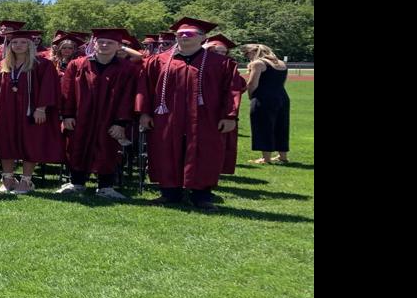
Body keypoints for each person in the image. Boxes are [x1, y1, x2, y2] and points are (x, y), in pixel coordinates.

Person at [137, 17, 241, 209]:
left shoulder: (222, 63)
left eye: (190, 33)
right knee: (166, 151)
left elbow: (232, 90)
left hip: (206, 118)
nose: (184, 36)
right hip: (167, 117)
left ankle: (202, 196)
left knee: (205, 153)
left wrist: (229, 116)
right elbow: (145, 88)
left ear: (203, 38)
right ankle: (169, 193)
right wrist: (144, 113)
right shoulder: (158, 62)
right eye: (180, 34)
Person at [57, 29, 139, 199]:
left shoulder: (127, 68)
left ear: (118, 46)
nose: (104, 45)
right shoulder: (77, 64)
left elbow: (128, 96)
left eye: (110, 43)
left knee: (108, 149)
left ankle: (106, 187)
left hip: (111, 116)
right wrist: (67, 115)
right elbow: (67, 92)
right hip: (81, 115)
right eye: (101, 41)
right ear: (94, 43)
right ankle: (76, 183)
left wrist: (121, 122)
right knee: (77, 146)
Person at [0, 30, 62, 193]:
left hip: (31, 112)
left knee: (30, 143)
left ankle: (26, 181)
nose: (18, 45)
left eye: (23, 42)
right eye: (14, 43)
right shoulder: (2, 65)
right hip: (6, 111)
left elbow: (48, 87)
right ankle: (8, 179)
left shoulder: (42, 64)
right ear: (9, 46)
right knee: (5, 142)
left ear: (30, 45)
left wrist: (41, 108)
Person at [241, 43, 292, 165]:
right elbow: (282, 83)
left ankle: (266, 158)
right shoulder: (281, 63)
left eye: (246, 54)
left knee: (263, 126)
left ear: (253, 52)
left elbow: (252, 83)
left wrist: (251, 96)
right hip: (282, 97)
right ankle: (282, 156)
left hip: (263, 98)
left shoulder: (258, 64)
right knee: (281, 126)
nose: (247, 57)